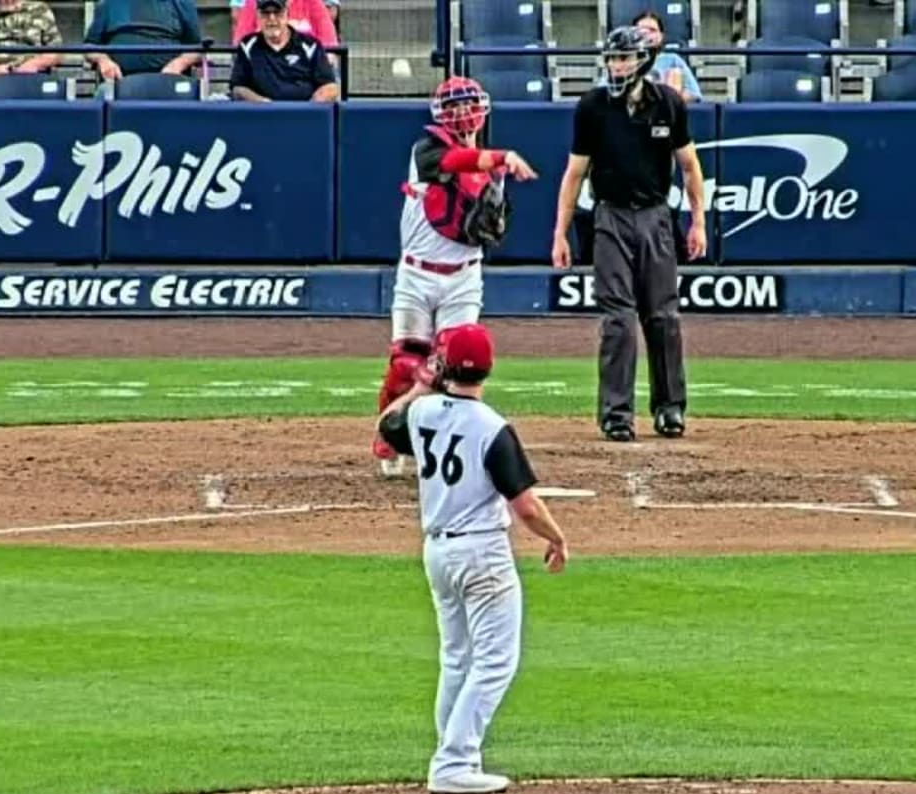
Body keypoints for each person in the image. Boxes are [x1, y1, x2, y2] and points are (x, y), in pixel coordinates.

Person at [375, 323, 568, 794]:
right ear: (489, 367)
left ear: (444, 366)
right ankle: (454, 761)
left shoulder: (422, 412)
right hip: (482, 554)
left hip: (438, 552)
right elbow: (525, 505)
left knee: (457, 659)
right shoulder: (491, 426)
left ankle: (457, 755)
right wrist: (557, 538)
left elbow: (386, 425)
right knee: (495, 662)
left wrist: (421, 384)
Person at [371, 76, 538, 477]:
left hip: (463, 276)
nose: (462, 113)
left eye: (468, 104)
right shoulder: (426, 149)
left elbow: (493, 224)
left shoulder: (490, 169)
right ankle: (389, 436)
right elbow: (452, 163)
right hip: (417, 273)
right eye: (453, 106)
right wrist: (501, 156)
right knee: (406, 363)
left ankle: (448, 441)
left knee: (456, 363)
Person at [552, 25, 707, 443]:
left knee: (663, 316)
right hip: (610, 216)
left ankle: (670, 407)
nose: (617, 66)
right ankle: (616, 414)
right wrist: (560, 233)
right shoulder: (593, 106)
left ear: (643, 61)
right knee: (617, 319)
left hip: (656, 215)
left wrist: (697, 221)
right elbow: (574, 174)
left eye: (624, 58)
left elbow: (690, 166)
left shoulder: (668, 103)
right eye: (612, 58)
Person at [229, 0, 338, 103]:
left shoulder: (311, 45)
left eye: (277, 12)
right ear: (258, 16)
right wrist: (263, 105)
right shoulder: (247, 46)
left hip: (304, 111)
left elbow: (330, 86)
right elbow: (238, 88)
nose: (272, 19)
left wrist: (307, 109)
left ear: (287, 14)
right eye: (265, 13)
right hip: (262, 113)